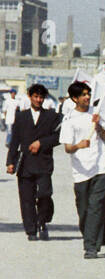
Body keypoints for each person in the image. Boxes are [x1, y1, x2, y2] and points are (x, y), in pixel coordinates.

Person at [58, 81, 105, 259]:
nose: (87, 97)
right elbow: (67, 148)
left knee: (96, 207)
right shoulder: (69, 119)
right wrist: (79, 145)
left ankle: (90, 247)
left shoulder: (98, 114)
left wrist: (98, 127)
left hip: (102, 168)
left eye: (88, 94)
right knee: (84, 210)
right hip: (81, 171)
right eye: (83, 95)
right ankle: (92, 238)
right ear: (75, 98)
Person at [6, 83, 61, 240]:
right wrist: (10, 162)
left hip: (44, 163)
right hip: (25, 163)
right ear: (30, 97)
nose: (38, 100)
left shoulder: (51, 116)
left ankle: (43, 222)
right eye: (36, 97)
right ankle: (31, 229)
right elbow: (14, 141)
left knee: (44, 194)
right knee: (26, 198)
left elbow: (58, 137)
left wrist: (41, 143)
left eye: (41, 97)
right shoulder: (21, 117)